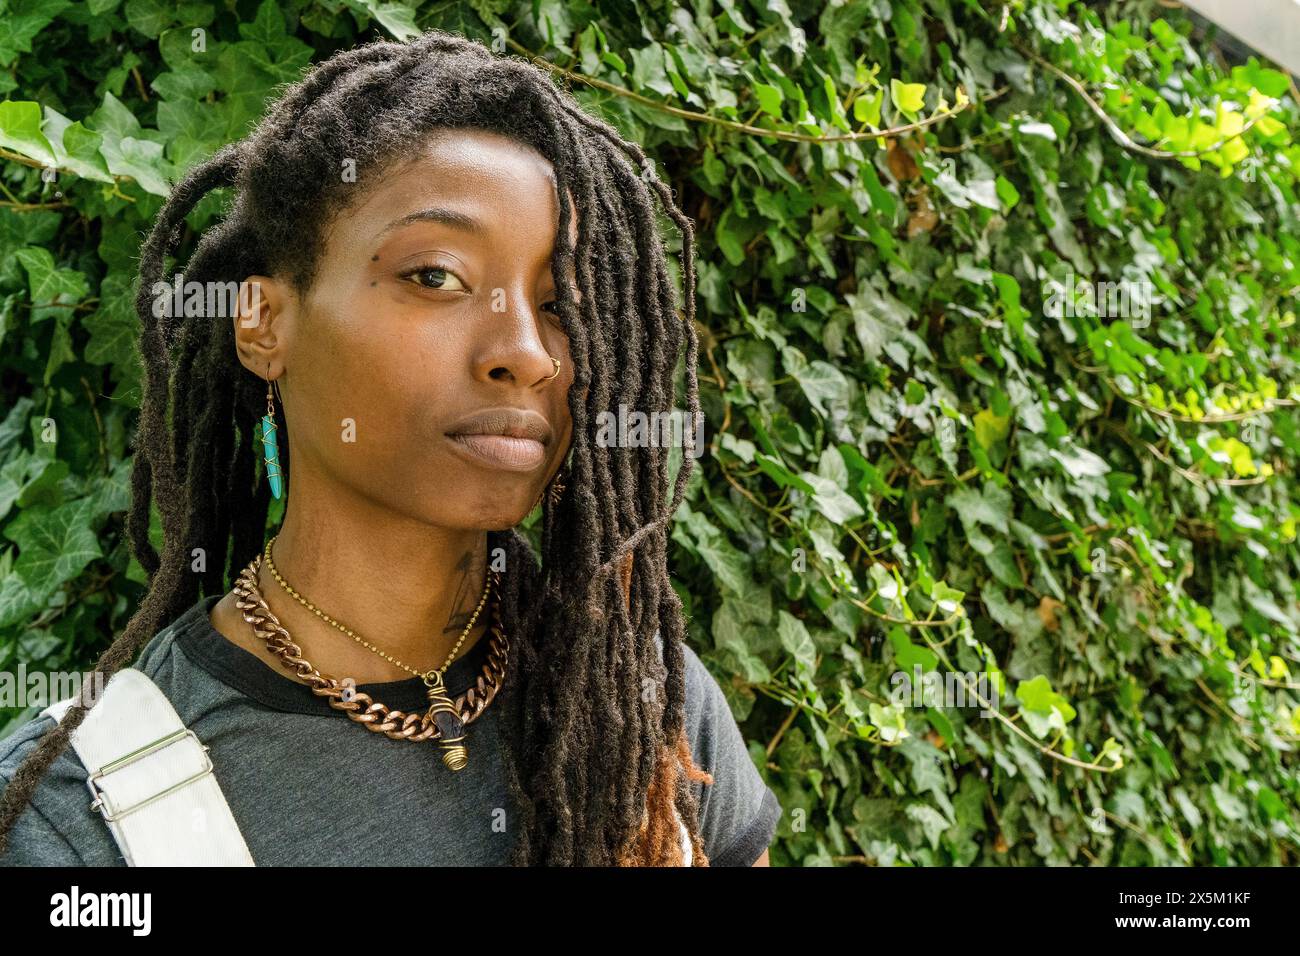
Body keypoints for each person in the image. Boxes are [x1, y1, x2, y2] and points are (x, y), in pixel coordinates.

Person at [0, 28, 781, 867]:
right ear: (264, 322)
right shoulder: (76, 816)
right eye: (435, 275)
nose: (527, 350)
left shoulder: (640, 700)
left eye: (561, 301)